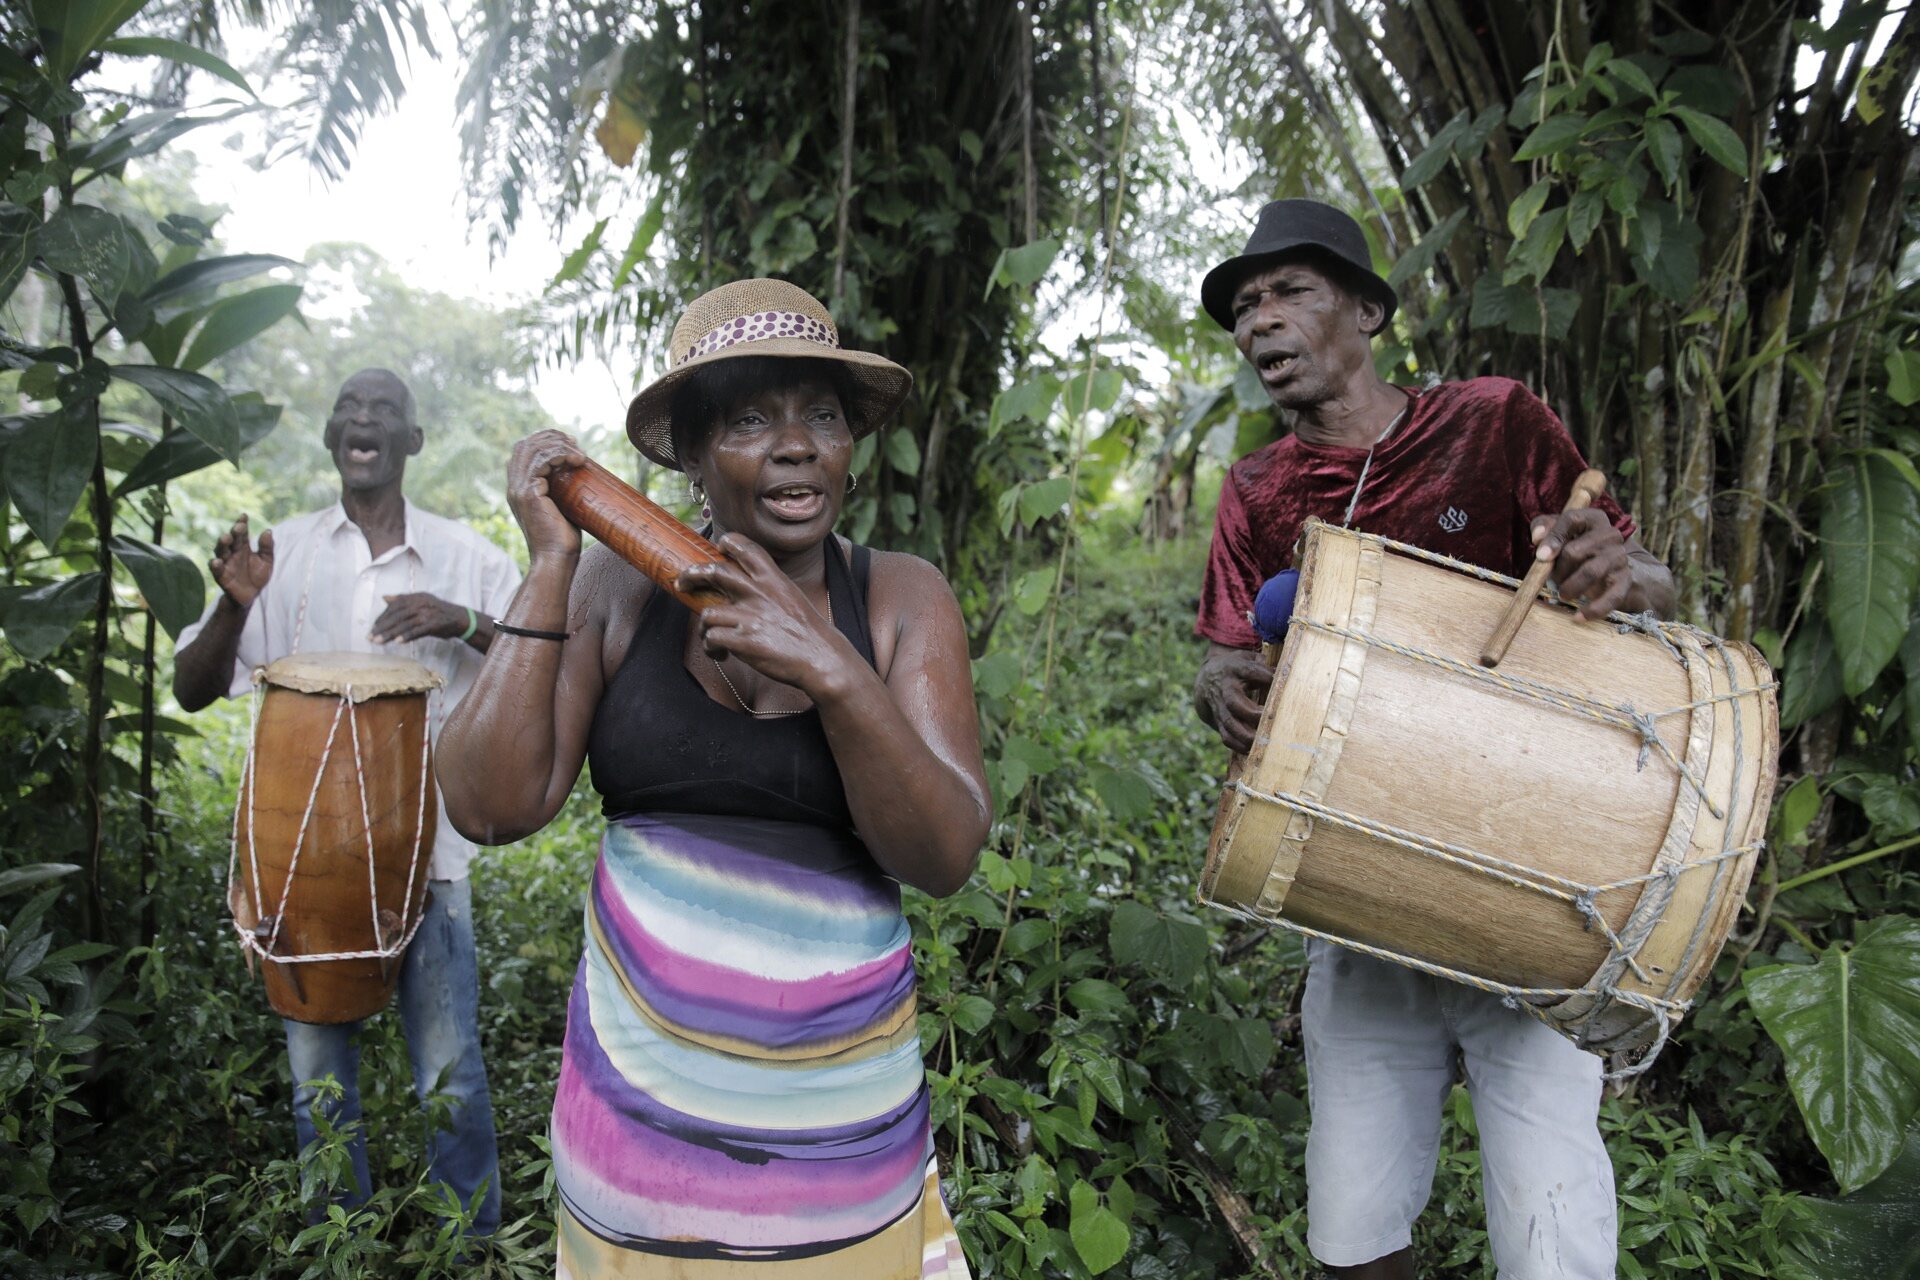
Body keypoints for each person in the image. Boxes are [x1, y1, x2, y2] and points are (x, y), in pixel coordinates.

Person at [436, 278, 989, 1278]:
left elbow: (943, 854)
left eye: (822, 413)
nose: (797, 442)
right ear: (688, 452)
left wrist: (831, 669)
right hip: (634, 1151)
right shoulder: (613, 589)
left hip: (842, 1159)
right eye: (749, 417)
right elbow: (489, 803)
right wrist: (553, 558)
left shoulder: (903, 596)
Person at [1191, 199, 1676, 1280]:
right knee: (1353, 1240)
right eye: (1246, 306)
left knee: (1554, 1239)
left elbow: (1639, 579)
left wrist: (1629, 578)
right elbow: (1225, 654)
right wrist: (1220, 684)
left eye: (1290, 292)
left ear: (1367, 308)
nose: (1260, 321)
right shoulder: (1258, 490)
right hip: (1355, 895)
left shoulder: (1493, 422)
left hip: (1525, 886)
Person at [174, 367, 514, 1236]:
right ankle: (343, 1243)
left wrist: (463, 620)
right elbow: (191, 686)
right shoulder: (279, 552)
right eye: (349, 411)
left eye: (385, 412)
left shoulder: (467, 558)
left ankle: (470, 1245)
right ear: (332, 438)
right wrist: (231, 603)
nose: (363, 422)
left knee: (451, 1071)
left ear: (413, 442)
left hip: (427, 864)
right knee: (317, 1076)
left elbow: (544, 655)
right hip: (302, 867)